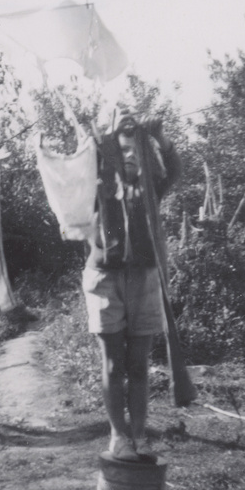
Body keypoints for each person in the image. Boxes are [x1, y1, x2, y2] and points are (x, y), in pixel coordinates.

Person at [83, 112, 182, 462]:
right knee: (113, 364)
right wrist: (100, 137)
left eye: (136, 153)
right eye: (123, 151)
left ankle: (139, 436)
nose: (130, 157)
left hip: (144, 278)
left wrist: (158, 134)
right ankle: (118, 436)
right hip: (105, 279)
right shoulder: (98, 187)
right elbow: (83, 164)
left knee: (139, 364)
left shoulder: (151, 189)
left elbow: (173, 168)